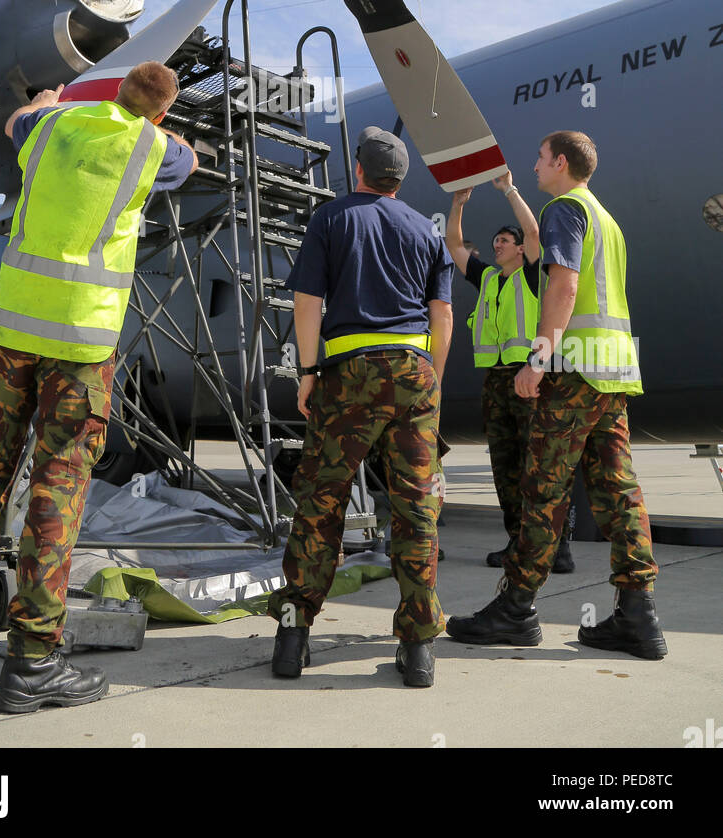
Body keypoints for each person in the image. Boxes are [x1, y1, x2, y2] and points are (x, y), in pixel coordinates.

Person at [0, 62, 199, 709]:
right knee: (58, 494)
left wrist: (49, 99)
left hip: (10, 336)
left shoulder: (49, 128)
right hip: (79, 346)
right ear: (153, 113)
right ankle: (32, 662)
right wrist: (158, 121)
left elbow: (20, 120)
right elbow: (189, 158)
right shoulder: (152, 146)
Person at [446, 131, 666, 661]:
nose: (536, 166)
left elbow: (564, 286)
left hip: (572, 373)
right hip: (610, 374)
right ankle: (638, 615)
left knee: (542, 488)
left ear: (561, 162)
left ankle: (516, 610)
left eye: (541, 159)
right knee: (618, 493)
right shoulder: (605, 218)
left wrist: (539, 358)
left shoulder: (564, 209)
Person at [267, 126, 454, 688]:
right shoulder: (427, 230)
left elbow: (307, 299)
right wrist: (432, 384)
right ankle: (418, 646)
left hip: (347, 374)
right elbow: (441, 316)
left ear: (358, 171)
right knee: (416, 508)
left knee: (321, 501)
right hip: (413, 372)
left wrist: (306, 371)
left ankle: (294, 633)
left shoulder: (332, 218)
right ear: (400, 179)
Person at [446, 173, 574, 572]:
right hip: (496, 383)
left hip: (531, 377)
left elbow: (534, 230)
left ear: (520, 250)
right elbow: (453, 244)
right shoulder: (486, 277)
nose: (496, 245)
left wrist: (509, 190)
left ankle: (559, 547)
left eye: (504, 241)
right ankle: (518, 543)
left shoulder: (532, 275)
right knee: (505, 468)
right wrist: (458, 203)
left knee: (540, 463)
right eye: (496, 241)